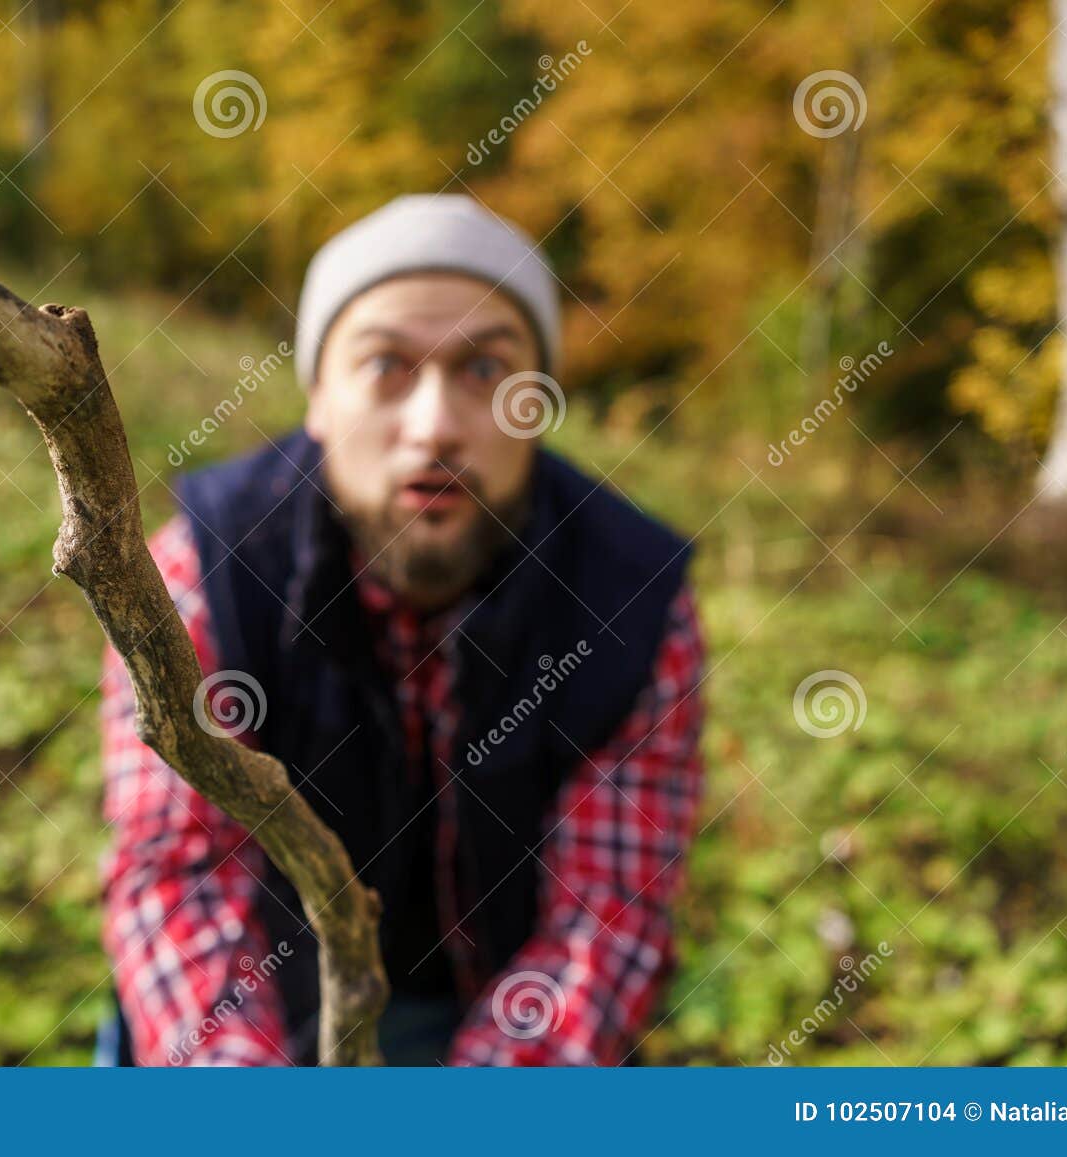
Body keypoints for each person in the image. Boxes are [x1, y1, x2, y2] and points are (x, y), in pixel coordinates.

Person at [98, 194, 705, 1066]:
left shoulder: (633, 599)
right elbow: (179, 872)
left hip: (502, 1016)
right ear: (319, 396)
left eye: (486, 370)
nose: (436, 427)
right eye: (386, 365)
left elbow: (607, 914)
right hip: (269, 1001)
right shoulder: (202, 575)